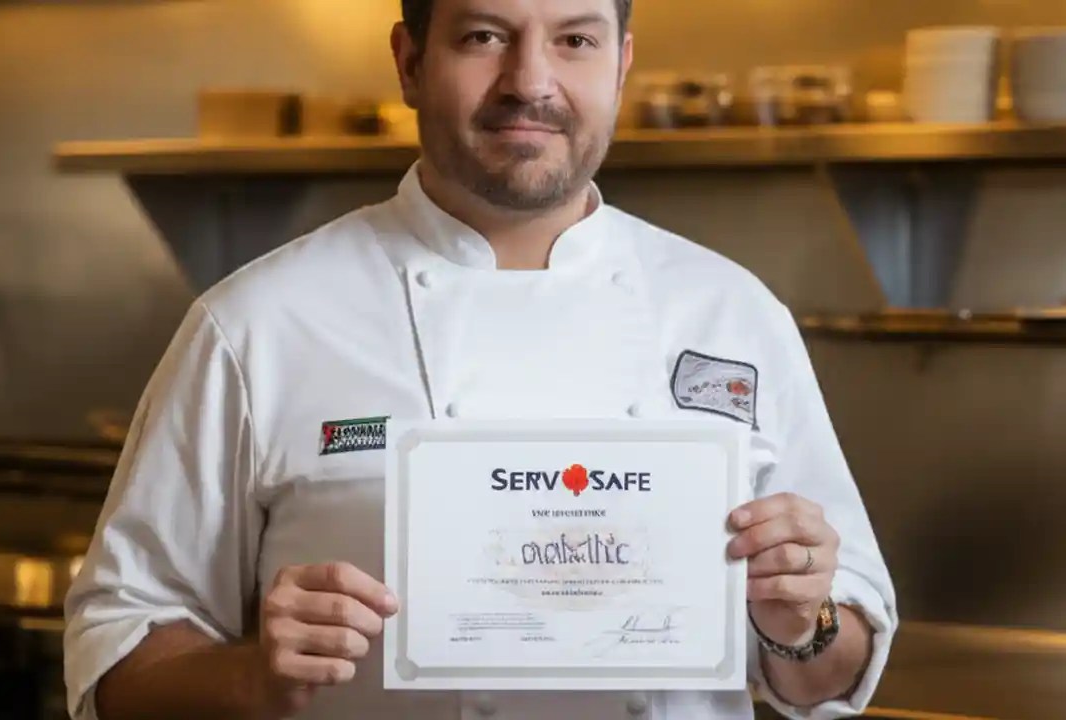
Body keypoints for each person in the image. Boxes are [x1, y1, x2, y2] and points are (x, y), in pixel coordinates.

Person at [62, 0, 898, 718]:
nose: (530, 82)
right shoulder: (257, 324)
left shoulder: (732, 312)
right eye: (484, 36)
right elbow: (116, 658)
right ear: (409, 61)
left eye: (575, 40)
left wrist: (801, 622)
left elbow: (835, 670)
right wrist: (251, 679)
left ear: (622, 64)